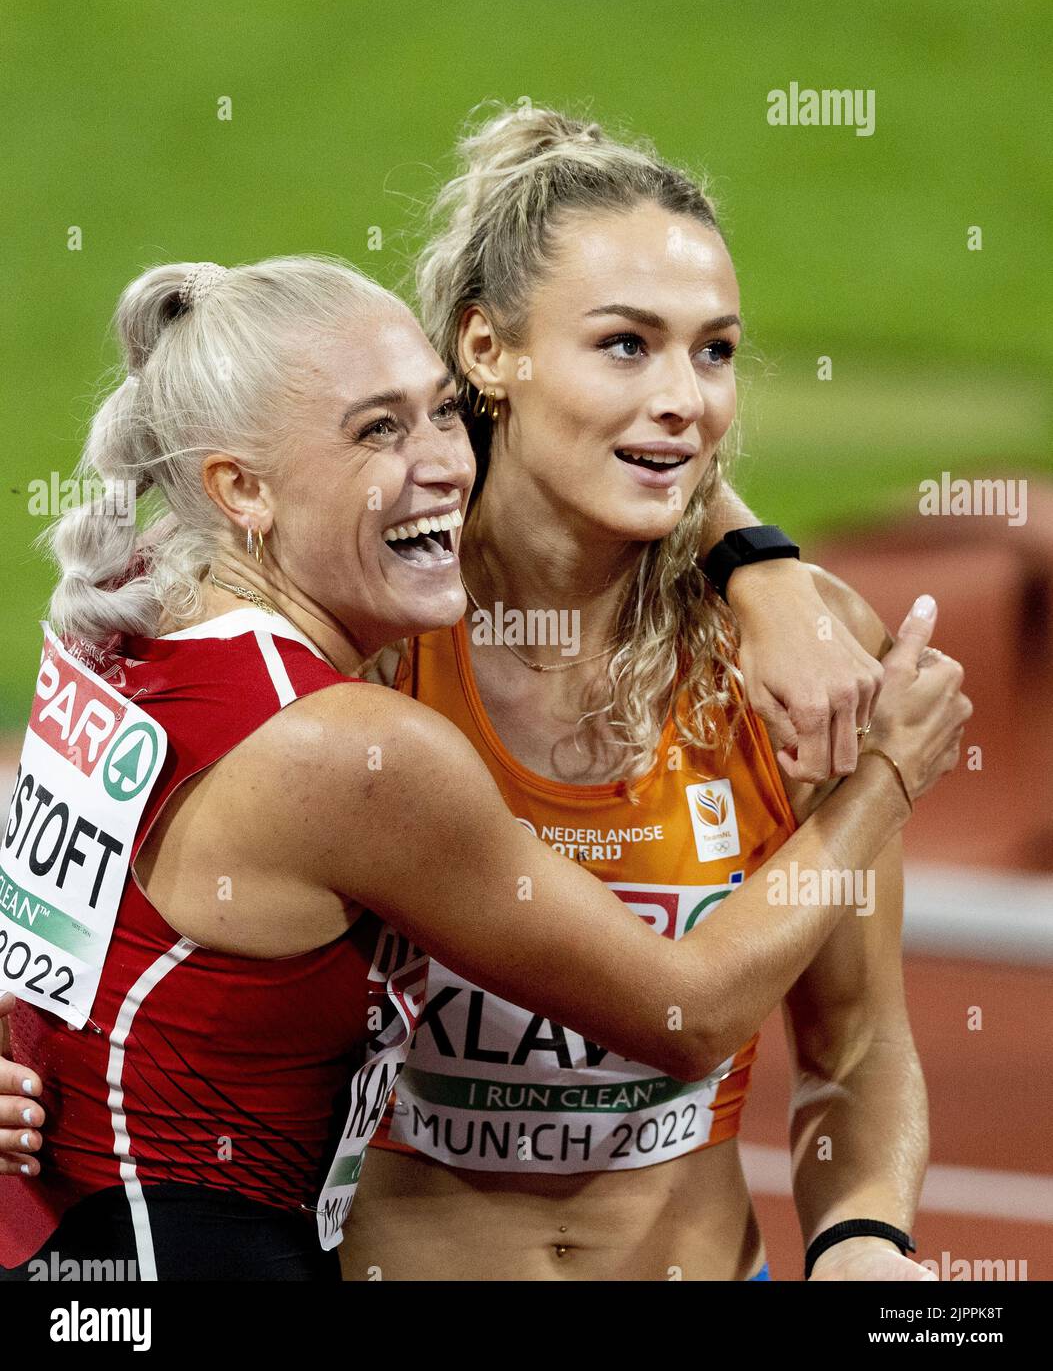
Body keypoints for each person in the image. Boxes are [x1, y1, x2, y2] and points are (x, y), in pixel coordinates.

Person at [0, 254, 967, 1282]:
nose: (447, 463)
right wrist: (887, 776)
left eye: (440, 413)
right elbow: (688, 1015)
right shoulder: (358, 751)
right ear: (239, 487)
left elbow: (58, 905)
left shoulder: (123, 613)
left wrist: (754, 560)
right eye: (378, 430)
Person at [344, 106, 964, 1282]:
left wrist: (863, 1238)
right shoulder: (367, 639)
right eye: (626, 344)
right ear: (489, 352)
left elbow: (857, 1046)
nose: (686, 397)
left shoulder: (808, 656)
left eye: (715, 349)